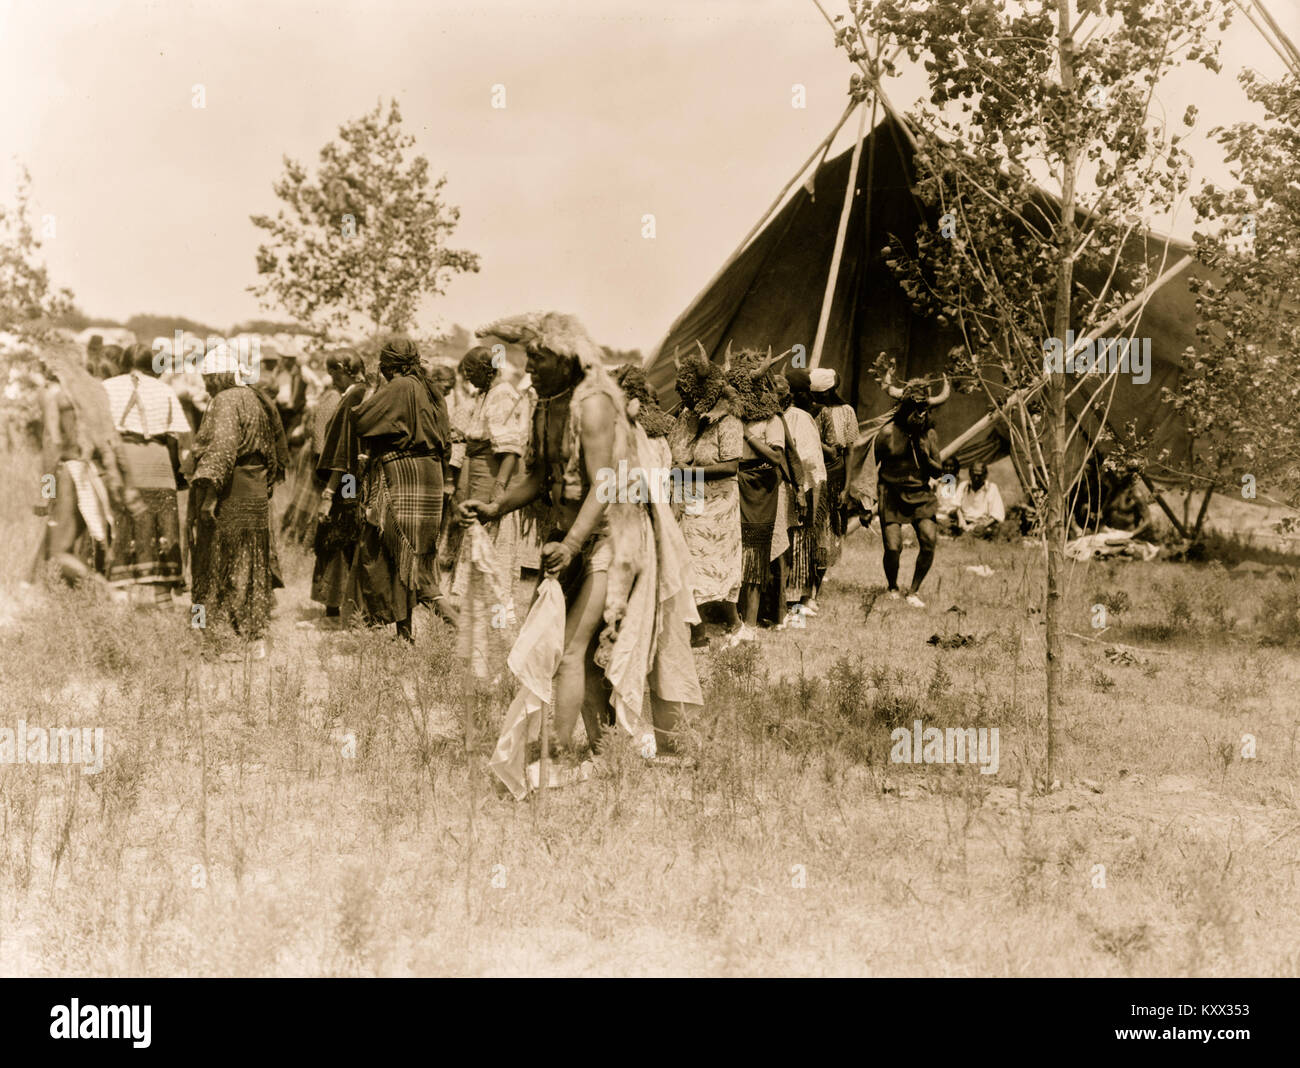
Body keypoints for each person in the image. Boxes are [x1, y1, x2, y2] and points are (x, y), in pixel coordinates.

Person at [460, 311, 701, 760]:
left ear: (568, 360)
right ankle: (603, 750)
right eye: (528, 355)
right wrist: (496, 507)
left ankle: (556, 755)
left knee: (570, 650)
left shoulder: (592, 404)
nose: (530, 365)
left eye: (540, 357)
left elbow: (606, 485)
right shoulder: (544, 404)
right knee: (573, 654)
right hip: (571, 537)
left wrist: (571, 545)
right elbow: (537, 478)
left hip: (615, 537)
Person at [348, 337, 451, 642]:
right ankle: (405, 636)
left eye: (383, 363)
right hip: (430, 477)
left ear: (388, 364)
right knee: (408, 561)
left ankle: (459, 629)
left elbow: (362, 420)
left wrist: (373, 389)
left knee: (391, 553)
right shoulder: (429, 388)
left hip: (404, 477)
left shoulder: (400, 386)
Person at [189, 345, 286, 660]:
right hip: (255, 492)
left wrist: (210, 497)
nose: (205, 385)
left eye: (207, 379)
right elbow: (273, 451)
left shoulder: (226, 399)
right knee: (252, 566)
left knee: (216, 563)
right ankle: (254, 638)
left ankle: (216, 641)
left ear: (218, 376)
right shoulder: (256, 398)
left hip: (231, 492)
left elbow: (223, 448)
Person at [31, 342, 137, 587]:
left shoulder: (55, 394)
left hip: (70, 472)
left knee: (58, 551)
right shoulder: (94, 389)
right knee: (84, 540)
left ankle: (106, 591)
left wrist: (46, 492)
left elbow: (52, 443)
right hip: (95, 472)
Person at [451, 346, 528, 678]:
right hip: (475, 481)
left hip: (489, 486)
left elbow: (509, 450)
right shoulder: (485, 394)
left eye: (471, 371)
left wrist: (497, 496)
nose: (467, 378)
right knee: (477, 569)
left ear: (487, 368)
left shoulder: (502, 395)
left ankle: (498, 651)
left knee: (492, 566)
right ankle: (479, 652)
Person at [101, 342, 191, 603]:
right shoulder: (164, 390)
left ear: (123, 362)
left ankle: (121, 601)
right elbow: (174, 437)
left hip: (125, 465)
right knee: (162, 528)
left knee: (123, 528)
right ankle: (163, 598)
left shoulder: (107, 388)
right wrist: (177, 477)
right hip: (158, 465)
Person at [666, 347, 743, 646]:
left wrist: (688, 473)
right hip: (687, 497)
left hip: (717, 504)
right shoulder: (685, 417)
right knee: (687, 560)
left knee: (707, 564)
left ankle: (722, 626)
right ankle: (697, 630)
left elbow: (732, 466)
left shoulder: (730, 422)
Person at [874, 371, 950, 607]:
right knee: (893, 547)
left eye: (922, 409)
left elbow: (939, 472)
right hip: (891, 492)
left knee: (929, 540)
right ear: (902, 407)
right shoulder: (887, 434)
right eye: (912, 408)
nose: (918, 414)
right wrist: (867, 502)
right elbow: (869, 468)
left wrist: (925, 456)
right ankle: (893, 586)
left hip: (920, 493)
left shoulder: (930, 435)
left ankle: (914, 591)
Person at [304, 349, 367, 627]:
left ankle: (336, 614)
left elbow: (344, 453)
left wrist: (331, 494)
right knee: (348, 537)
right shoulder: (364, 392)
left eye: (333, 373)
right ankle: (348, 613)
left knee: (339, 536)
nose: (331, 380)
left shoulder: (353, 396)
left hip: (347, 479)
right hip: (353, 479)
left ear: (343, 371)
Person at [730, 349, 787, 641]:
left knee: (754, 554)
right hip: (733, 483)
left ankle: (750, 625)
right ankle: (734, 621)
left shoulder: (771, 419)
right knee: (734, 552)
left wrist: (746, 435)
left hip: (761, 487)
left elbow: (776, 458)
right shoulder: (730, 415)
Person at [778, 368, 826, 626]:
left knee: (800, 543)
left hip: (801, 487)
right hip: (784, 488)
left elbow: (808, 460)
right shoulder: (778, 418)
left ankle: (799, 600)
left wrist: (803, 491)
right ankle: (783, 600)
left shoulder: (800, 418)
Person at [810, 368, 857, 592]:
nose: (818, 399)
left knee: (827, 534)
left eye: (822, 395)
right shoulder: (808, 411)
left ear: (830, 391)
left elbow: (849, 452)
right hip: (811, 476)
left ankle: (814, 589)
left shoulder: (846, 411)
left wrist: (846, 487)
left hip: (833, 477)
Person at [957, 460, 1005, 536]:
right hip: (964, 523)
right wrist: (962, 523)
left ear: (985, 475)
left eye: (979, 476)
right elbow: (956, 506)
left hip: (983, 524)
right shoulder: (963, 486)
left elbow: (997, 515)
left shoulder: (992, 488)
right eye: (974, 475)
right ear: (970, 474)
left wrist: (983, 526)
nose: (976, 478)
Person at [935, 456, 964, 533]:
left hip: (954, 516)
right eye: (946, 466)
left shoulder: (962, 484)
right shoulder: (937, 483)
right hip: (939, 515)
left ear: (956, 468)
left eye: (951, 466)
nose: (948, 469)